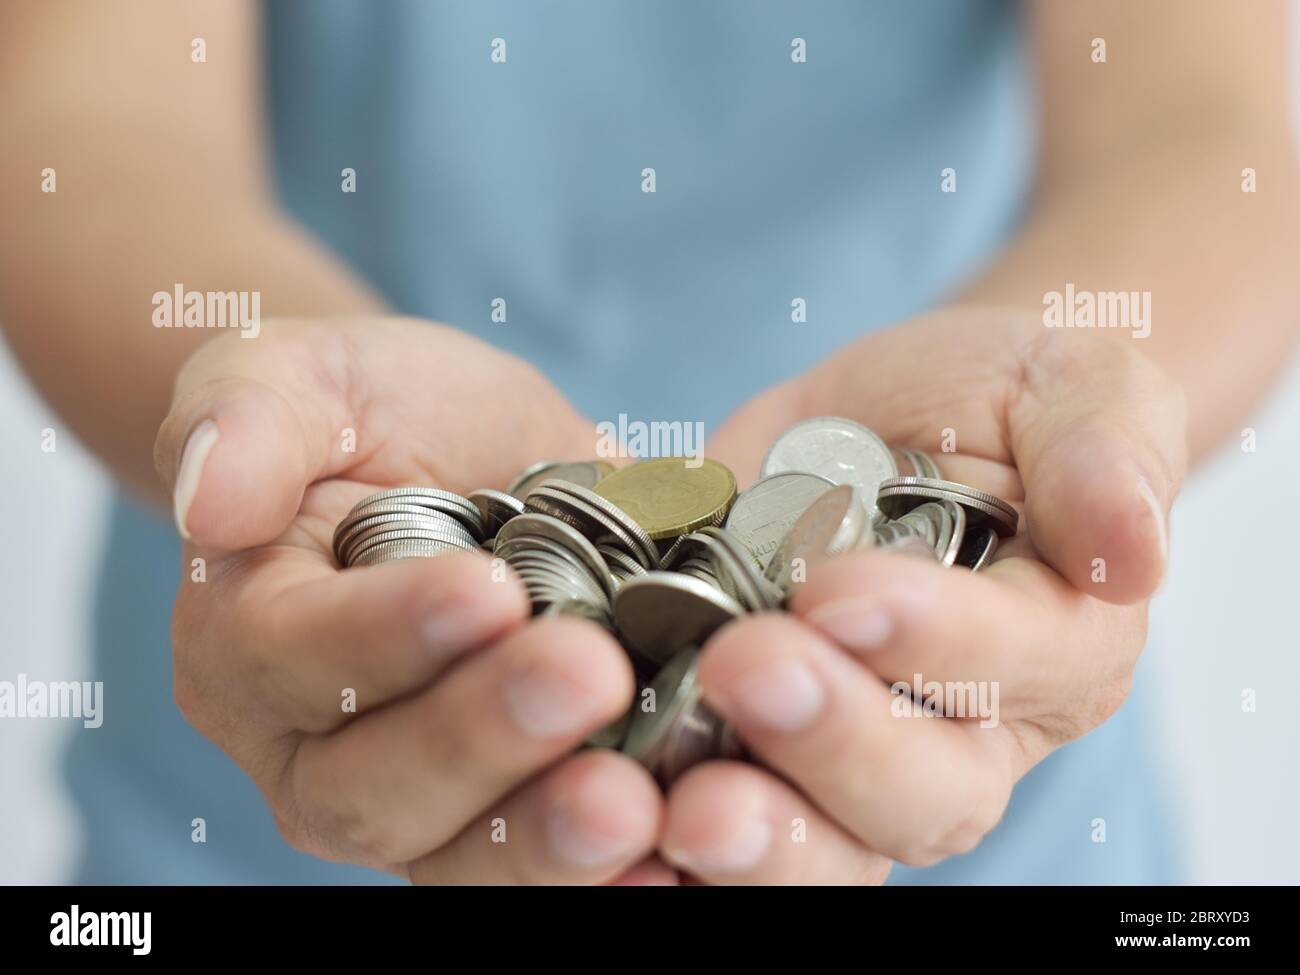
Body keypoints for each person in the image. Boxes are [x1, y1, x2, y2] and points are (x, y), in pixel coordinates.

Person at [2, 0, 1297, 885]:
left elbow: (1206, 122)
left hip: (993, 782)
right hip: (251, 778)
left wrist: (1063, 398)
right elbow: (85, 121)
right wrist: (285, 410)